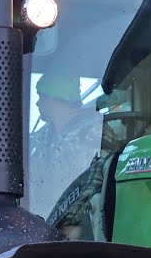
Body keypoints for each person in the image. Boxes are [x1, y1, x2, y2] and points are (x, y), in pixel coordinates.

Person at [29, 73, 105, 237]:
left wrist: (69, 227)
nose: (37, 103)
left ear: (56, 99)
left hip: (80, 232)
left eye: (41, 97)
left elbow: (92, 186)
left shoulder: (94, 134)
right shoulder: (41, 140)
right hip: (43, 227)